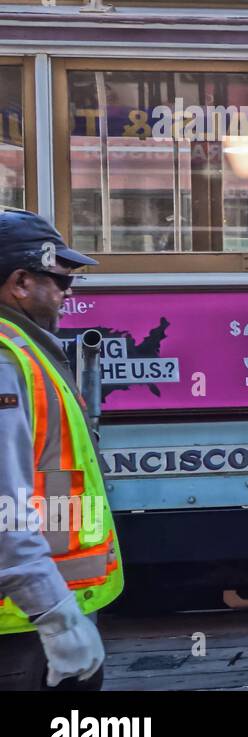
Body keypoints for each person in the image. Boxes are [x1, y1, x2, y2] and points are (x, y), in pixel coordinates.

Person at [0, 210, 123, 690]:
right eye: (60, 279)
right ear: (20, 282)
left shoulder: (25, 349)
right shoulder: (8, 361)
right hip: (24, 628)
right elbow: (6, 508)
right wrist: (56, 619)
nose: (69, 292)